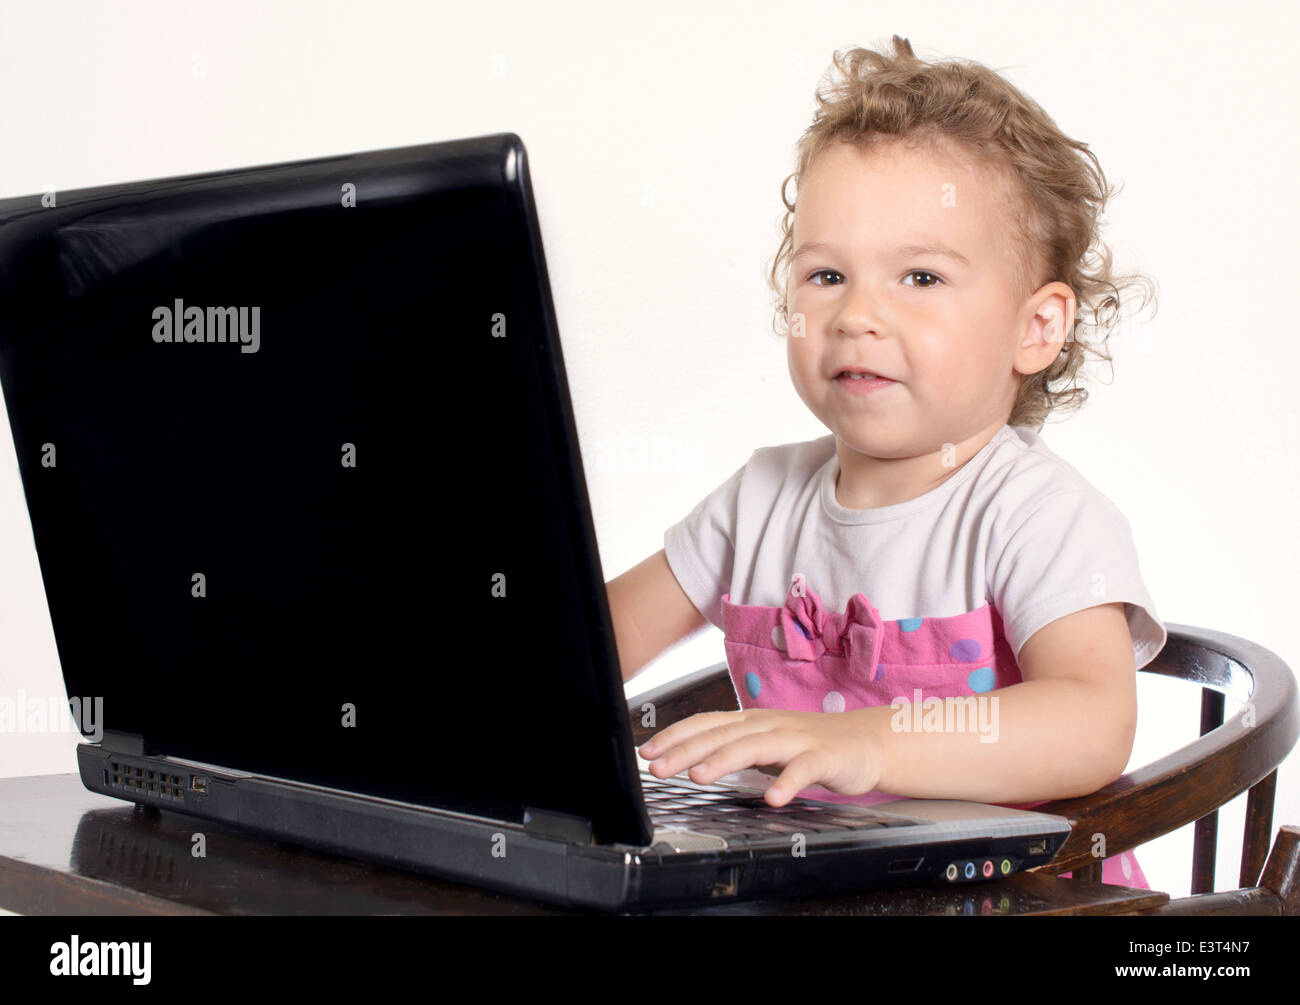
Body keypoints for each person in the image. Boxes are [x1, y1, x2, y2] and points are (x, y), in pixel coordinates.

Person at [606, 36, 1165, 889]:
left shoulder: (1032, 512)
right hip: (818, 892)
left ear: (1036, 328)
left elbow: (1091, 721)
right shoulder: (760, 500)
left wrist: (867, 741)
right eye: (827, 274)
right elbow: (594, 641)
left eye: (921, 277)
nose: (858, 313)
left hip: (1022, 899)